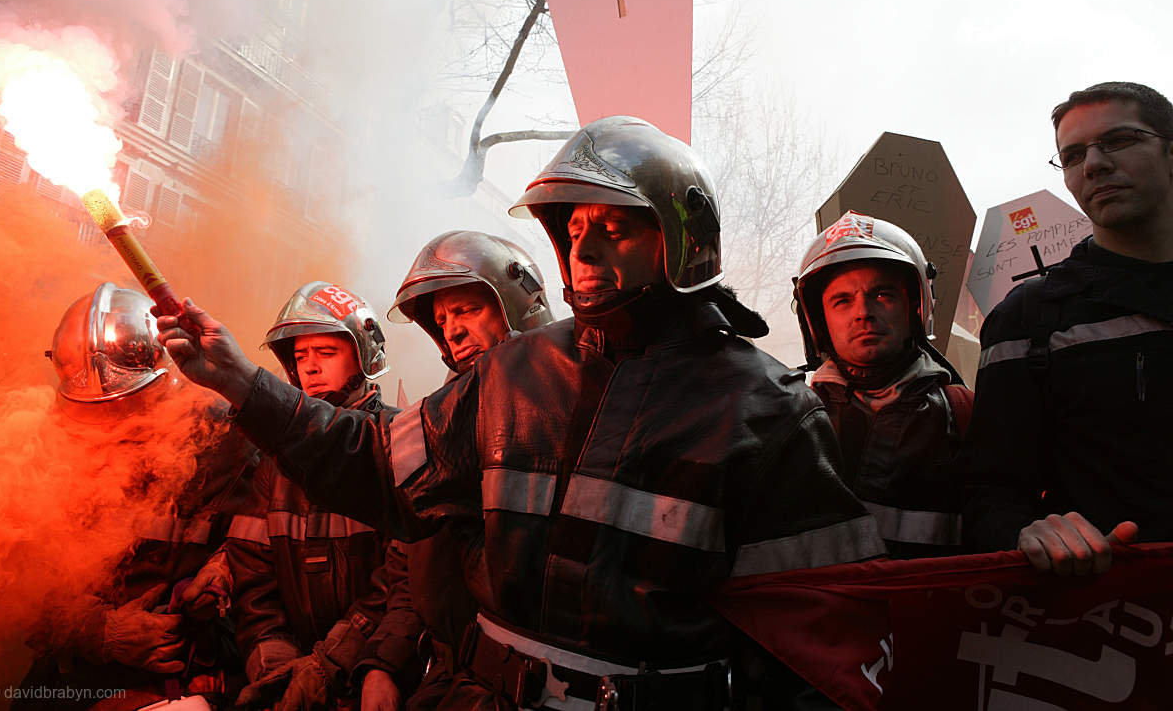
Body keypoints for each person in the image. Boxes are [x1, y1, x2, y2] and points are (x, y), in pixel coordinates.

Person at [158, 116, 883, 710]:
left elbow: (820, 645)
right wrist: (247, 384)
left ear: (681, 238)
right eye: (572, 230)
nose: (585, 249)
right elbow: (375, 467)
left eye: (616, 227)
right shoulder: (513, 373)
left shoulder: (768, 410)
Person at [16, 282, 258, 711]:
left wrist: (225, 571)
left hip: (186, 675)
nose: (111, 420)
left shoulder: (223, 439)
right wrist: (97, 633)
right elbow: (16, 589)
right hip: (74, 680)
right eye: (95, 408)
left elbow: (271, 556)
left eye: (126, 404)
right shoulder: (47, 449)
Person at [964, 81, 1173, 576]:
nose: (1094, 164)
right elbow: (985, 493)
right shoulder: (1028, 322)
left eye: (1118, 140)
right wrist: (1025, 532)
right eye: (1073, 155)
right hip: (1118, 625)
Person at [354, 230, 554, 711]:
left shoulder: (563, 416)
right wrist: (383, 663)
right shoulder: (435, 427)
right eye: (441, 319)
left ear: (515, 303)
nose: (452, 331)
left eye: (466, 310)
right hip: (449, 676)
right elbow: (410, 566)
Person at [223, 282, 402, 710]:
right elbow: (251, 578)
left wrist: (331, 664)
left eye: (326, 353)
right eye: (300, 357)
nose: (310, 369)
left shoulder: (402, 440)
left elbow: (402, 583)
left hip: (372, 677)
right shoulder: (275, 461)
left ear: (364, 355)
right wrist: (273, 659)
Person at [793, 211, 972, 559]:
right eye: (842, 301)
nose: (863, 313)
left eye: (883, 295)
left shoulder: (964, 414)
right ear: (818, 320)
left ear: (915, 307)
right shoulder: (791, 419)